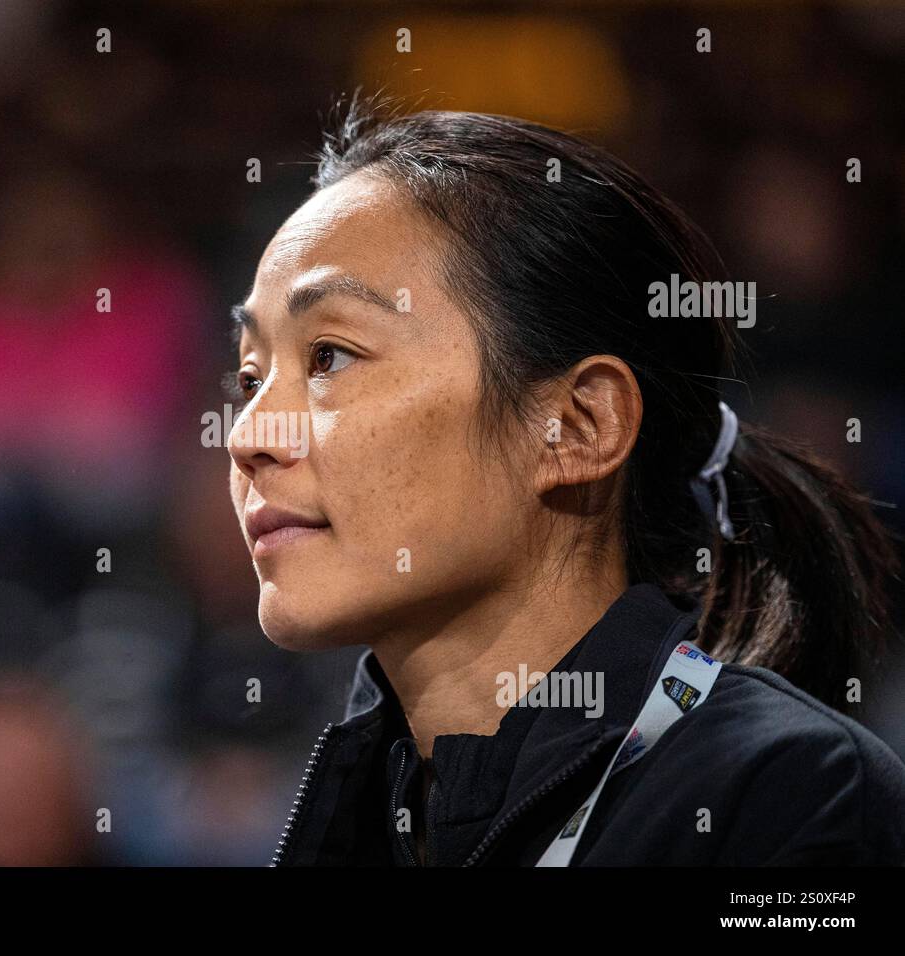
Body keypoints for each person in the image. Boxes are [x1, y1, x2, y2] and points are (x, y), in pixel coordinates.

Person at [224, 96, 905, 866]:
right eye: (248, 379)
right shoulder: (359, 823)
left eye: (330, 357)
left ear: (578, 426)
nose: (249, 435)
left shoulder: (790, 803)